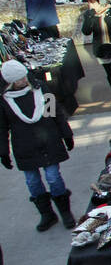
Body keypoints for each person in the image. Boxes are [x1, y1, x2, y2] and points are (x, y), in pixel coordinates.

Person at [0, 60, 77, 231]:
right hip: (24, 146)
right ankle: (47, 214)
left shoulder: (40, 88)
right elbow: (2, 127)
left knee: (53, 177)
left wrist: (66, 134)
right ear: (10, 82)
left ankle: (65, 211)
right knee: (32, 181)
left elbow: (54, 112)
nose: (24, 80)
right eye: (19, 79)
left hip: (48, 140)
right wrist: (3, 152)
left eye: (24, 76)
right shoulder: (4, 100)